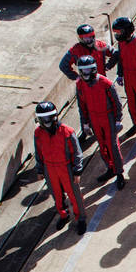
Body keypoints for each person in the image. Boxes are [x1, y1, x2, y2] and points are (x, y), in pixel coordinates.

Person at [32, 102, 87, 235]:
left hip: (66, 167)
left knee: (74, 195)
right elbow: (38, 152)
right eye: (43, 119)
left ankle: (81, 219)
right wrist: (40, 170)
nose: (47, 122)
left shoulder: (67, 131)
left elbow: (77, 153)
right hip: (49, 169)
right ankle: (64, 215)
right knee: (56, 194)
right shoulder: (38, 133)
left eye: (49, 118)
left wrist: (77, 171)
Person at [74, 56, 126, 189]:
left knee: (113, 146)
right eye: (83, 70)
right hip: (93, 119)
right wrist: (84, 123)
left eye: (88, 70)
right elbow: (82, 106)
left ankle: (119, 173)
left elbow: (116, 102)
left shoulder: (105, 83)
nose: (86, 73)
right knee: (102, 146)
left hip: (107, 117)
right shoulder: (80, 85)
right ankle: (110, 168)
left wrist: (118, 119)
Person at [111, 16, 136, 138]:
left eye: (119, 32)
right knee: (132, 103)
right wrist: (120, 74)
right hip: (128, 78)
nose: (117, 35)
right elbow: (121, 60)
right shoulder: (121, 43)